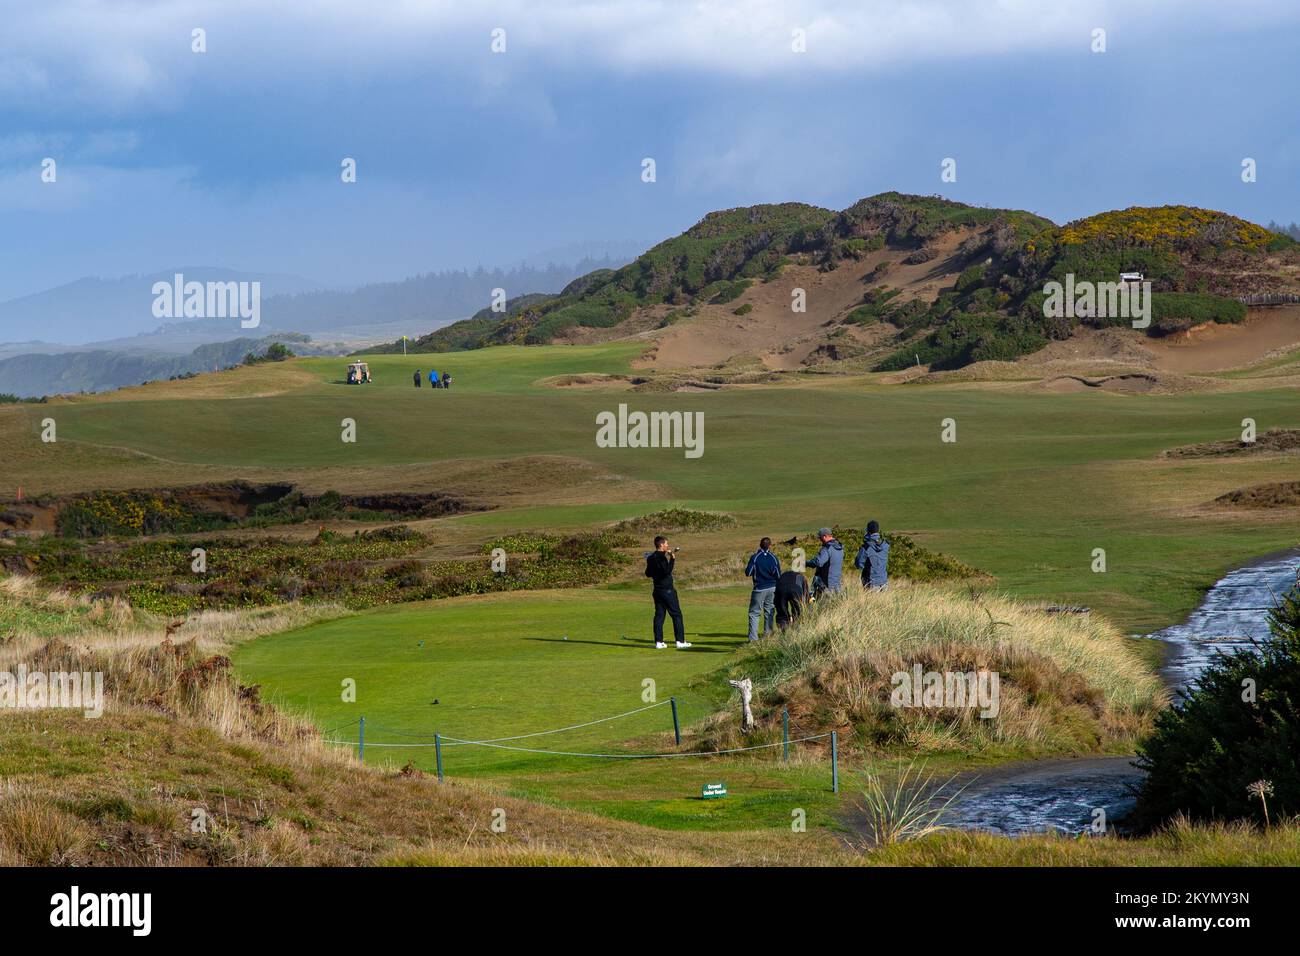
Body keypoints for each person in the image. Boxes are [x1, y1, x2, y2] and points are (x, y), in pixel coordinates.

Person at [645, 536, 690, 649]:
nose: (668, 546)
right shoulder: (662, 558)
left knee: (659, 615)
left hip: (657, 591)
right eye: (666, 544)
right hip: (667, 590)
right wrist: (672, 558)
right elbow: (667, 571)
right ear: (661, 545)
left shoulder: (651, 558)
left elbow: (648, 573)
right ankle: (680, 641)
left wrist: (666, 557)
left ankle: (659, 642)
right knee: (676, 615)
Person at [744, 537, 781, 642]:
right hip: (772, 588)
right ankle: (768, 637)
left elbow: (748, 572)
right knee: (769, 611)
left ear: (760, 545)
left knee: (754, 613)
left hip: (759, 588)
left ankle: (753, 640)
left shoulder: (755, 557)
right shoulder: (773, 558)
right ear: (770, 545)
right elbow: (778, 575)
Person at [806, 527, 843, 598]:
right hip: (837, 583)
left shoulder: (827, 548)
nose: (820, 540)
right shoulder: (840, 547)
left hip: (825, 583)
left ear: (824, 536)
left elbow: (818, 562)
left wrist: (807, 563)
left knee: (814, 601)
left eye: (820, 538)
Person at [854, 520, 890, 590]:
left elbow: (858, 564)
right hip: (884, 582)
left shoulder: (866, 547)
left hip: (871, 582)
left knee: (871, 601)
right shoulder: (885, 545)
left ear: (868, 531)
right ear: (878, 530)